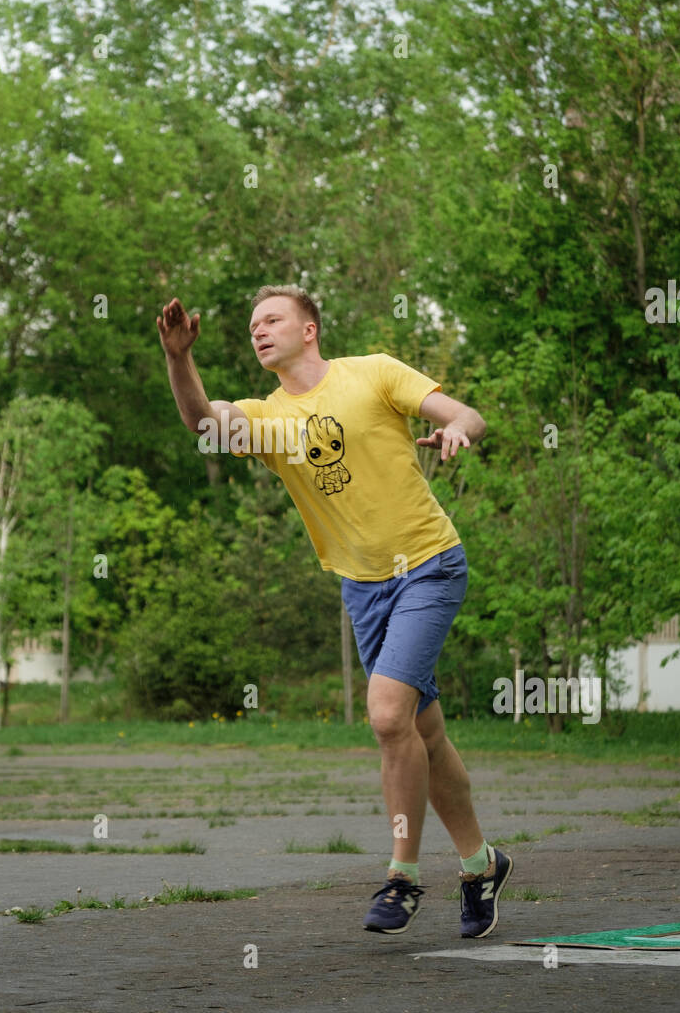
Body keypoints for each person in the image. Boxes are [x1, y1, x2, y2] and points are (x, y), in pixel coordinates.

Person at [158, 284, 513, 939]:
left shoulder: (373, 374)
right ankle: (480, 865)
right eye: (251, 324)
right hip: (363, 586)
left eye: (272, 319)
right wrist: (179, 357)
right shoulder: (265, 419)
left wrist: (458, 431)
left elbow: (467, 414)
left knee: (385, 716)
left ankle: (402, 877)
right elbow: (202, 421)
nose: (258, 330)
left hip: (428, 566)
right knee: (423, 734)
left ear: (310, 329)